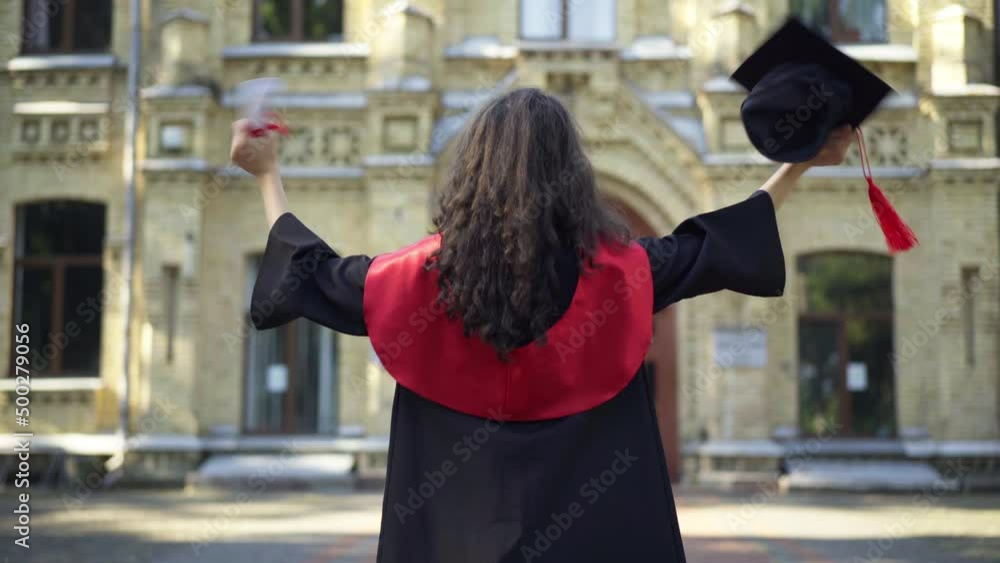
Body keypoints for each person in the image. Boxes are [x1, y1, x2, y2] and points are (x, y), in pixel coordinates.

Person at [230, 88, 852, 563]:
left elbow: (308, 271)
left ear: (471, 173)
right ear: (573, 176)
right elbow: (716, 242)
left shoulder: (412, 283)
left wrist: (266, 175)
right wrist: (801, 161)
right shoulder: (624, 275)